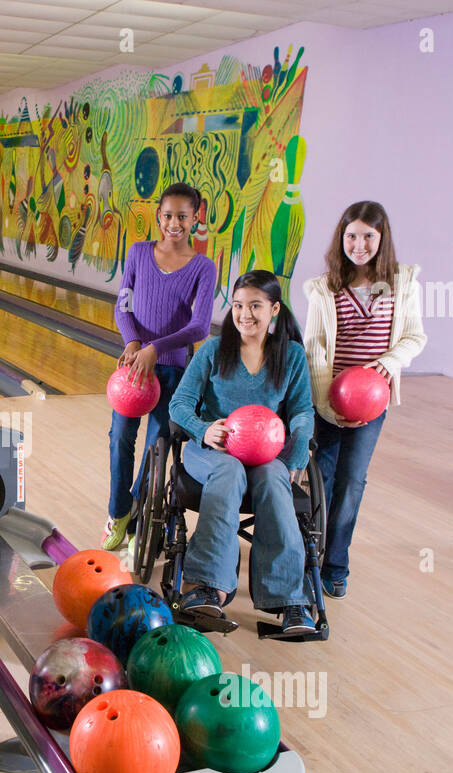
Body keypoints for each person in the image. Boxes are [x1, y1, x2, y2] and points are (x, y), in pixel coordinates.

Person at [168, 270, 316, 633]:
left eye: (255, 306)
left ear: (274, 310)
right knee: (230, 471)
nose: (244, 314)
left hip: (267, 455)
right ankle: (206, 587)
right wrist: (205, 429)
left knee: (273, 480)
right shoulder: (215, 350)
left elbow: (301, 412)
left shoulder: (291, 355)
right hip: (213, 451)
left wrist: (296, 454)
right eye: (237, 305)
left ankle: (291, 600)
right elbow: (179, 404)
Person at [303, 201, 426, 599]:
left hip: (372, 404)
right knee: (320, 480)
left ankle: (335, 565)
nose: (359, 244)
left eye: (368, 236)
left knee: (352, 482)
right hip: (328, 400)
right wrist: (326, 405)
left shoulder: (402, 283)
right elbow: (315, 347)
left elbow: (414, 337)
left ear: (382, 238)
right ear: (342, 238)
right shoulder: (324, 287)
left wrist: (387, 364)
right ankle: (307, 559)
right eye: (351, 235)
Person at [102, 183, 216, 551]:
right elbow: (123, 306)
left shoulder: (203, 267)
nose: (174, 223)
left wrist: (156, 348)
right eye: (168, 215)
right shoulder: (137, 253)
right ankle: (119, 513)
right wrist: (134, 343)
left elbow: (199, 326)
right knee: (120, 440)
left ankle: (136, 513)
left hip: (171, 372)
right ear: (158, 216)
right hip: (133, 369)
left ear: (196, 218)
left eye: (183, 216)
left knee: (157, 448)